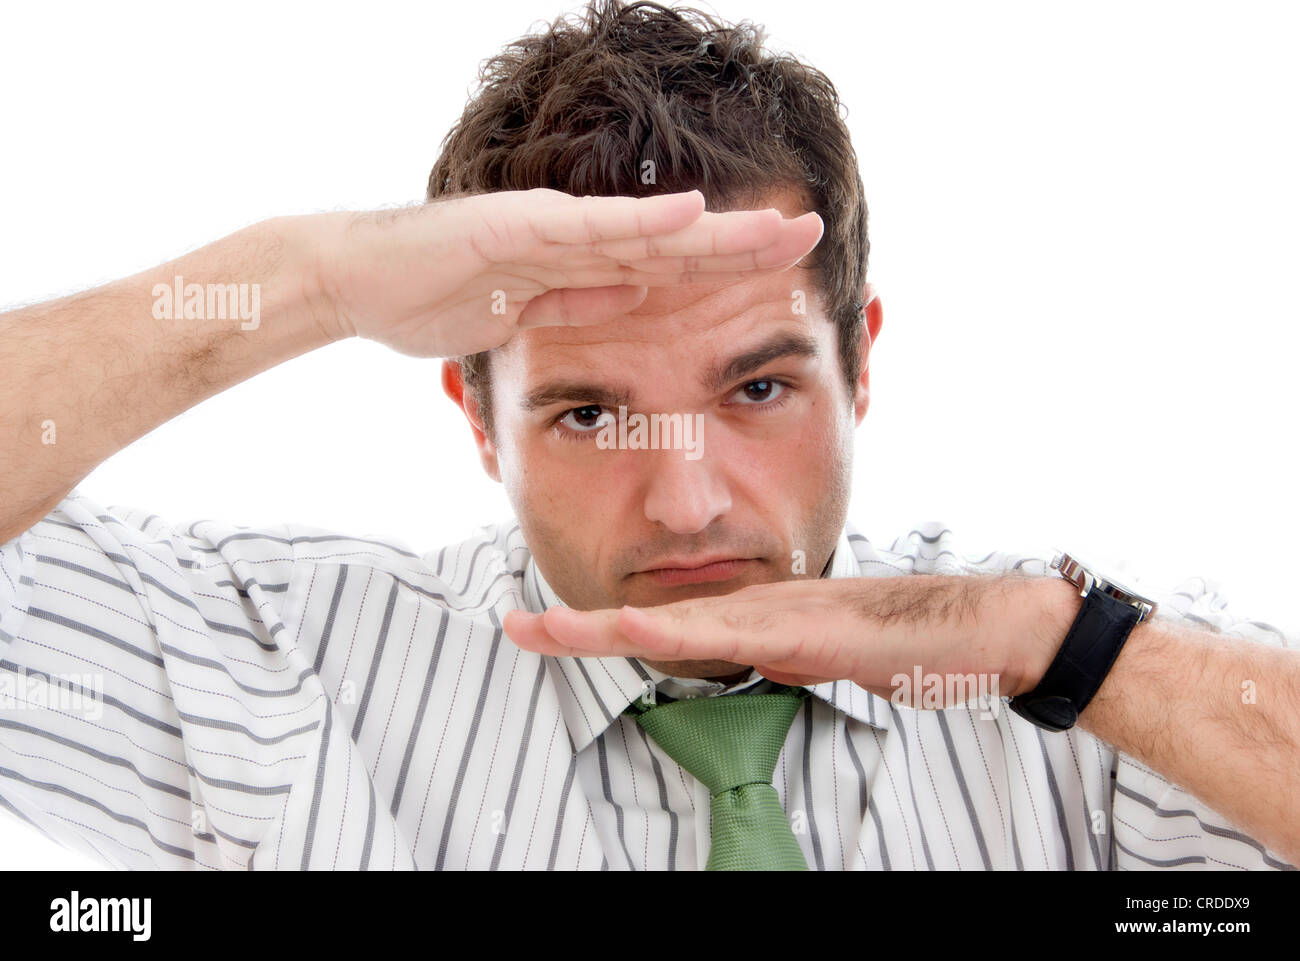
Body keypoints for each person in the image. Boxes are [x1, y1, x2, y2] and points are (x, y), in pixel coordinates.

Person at [1, 0, 1296, 871]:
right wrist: (307, 280)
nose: (686, 502)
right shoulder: (278, 669)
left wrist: (1057, 649)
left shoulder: (1089, 679)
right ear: (478, 418)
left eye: (756, 391)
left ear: (861, 365)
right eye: (591, 411)